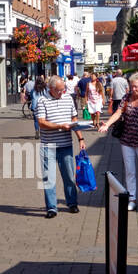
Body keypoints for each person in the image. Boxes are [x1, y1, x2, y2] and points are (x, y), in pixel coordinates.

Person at [99, 73, 138, 211]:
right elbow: (118, 113)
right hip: (126, 139)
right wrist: (107, 124)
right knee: (130, 170)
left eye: (136, 86)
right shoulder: (126, 98)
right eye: (131, 86)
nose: (133, 89)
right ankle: (132, 198)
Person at [34, 76, 85, 217]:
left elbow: (74, 119)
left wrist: (80, 138)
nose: (63, 92)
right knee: (49, 178)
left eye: (64, 90)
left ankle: (72, 203)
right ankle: (51, 208)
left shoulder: (68, 98)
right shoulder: (42, 100)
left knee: (69, 176)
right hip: (48, 145)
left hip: (65, 145)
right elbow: (42, 122)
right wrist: (60, 126)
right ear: (51, 89)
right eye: (60, 90)